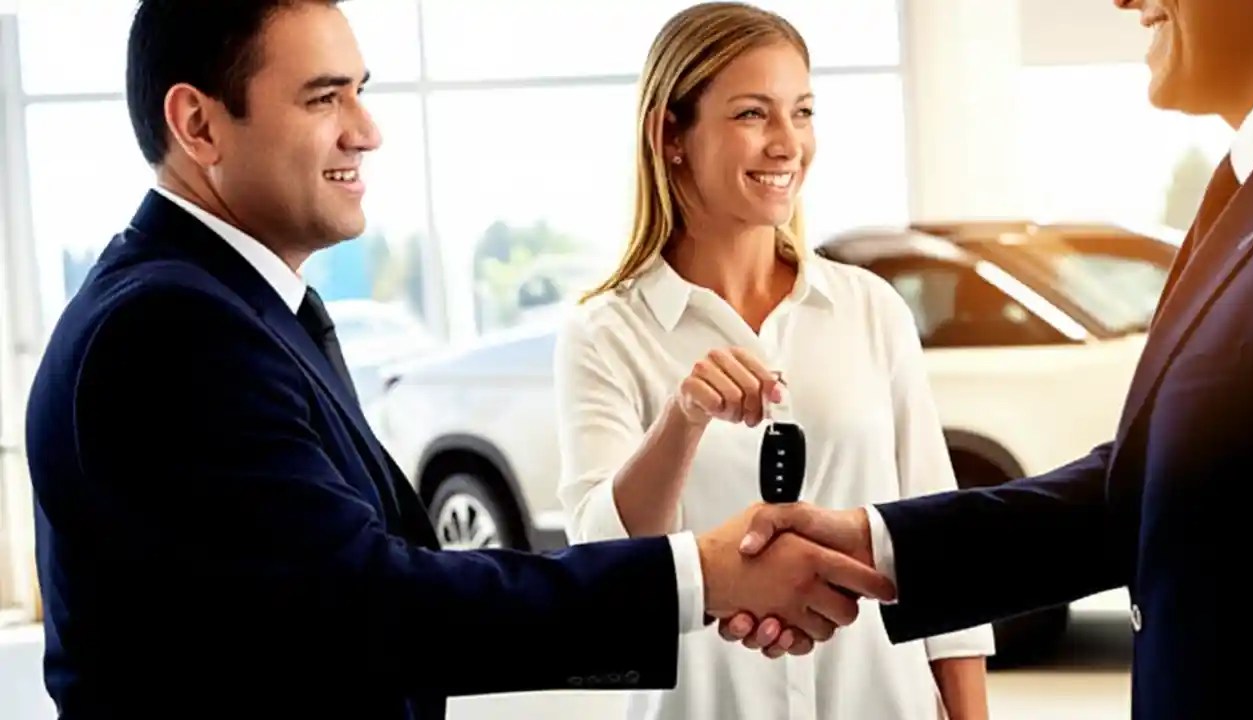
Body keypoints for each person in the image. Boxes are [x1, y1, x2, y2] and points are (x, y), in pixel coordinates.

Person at [22, 2, 895, 718]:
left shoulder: (229, 306)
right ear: (197, 124)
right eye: (325, 99)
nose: (367, 131)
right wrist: (701, 574)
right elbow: (371, 604)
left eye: (361, 92)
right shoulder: (172, 328)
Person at [722, 1, 1253, 718]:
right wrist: (874, 545)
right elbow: (1136, 493)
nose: (1123, 0)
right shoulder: (1240, 191)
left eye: (801, 111)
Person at [553, 4, 993, 719]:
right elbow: (608, 566)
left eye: (803, 112)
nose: (788, 143)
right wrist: (683, 419)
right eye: (753, 114)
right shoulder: (604, 333)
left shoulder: (869, 308)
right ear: (672, 135)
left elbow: (936, 544)